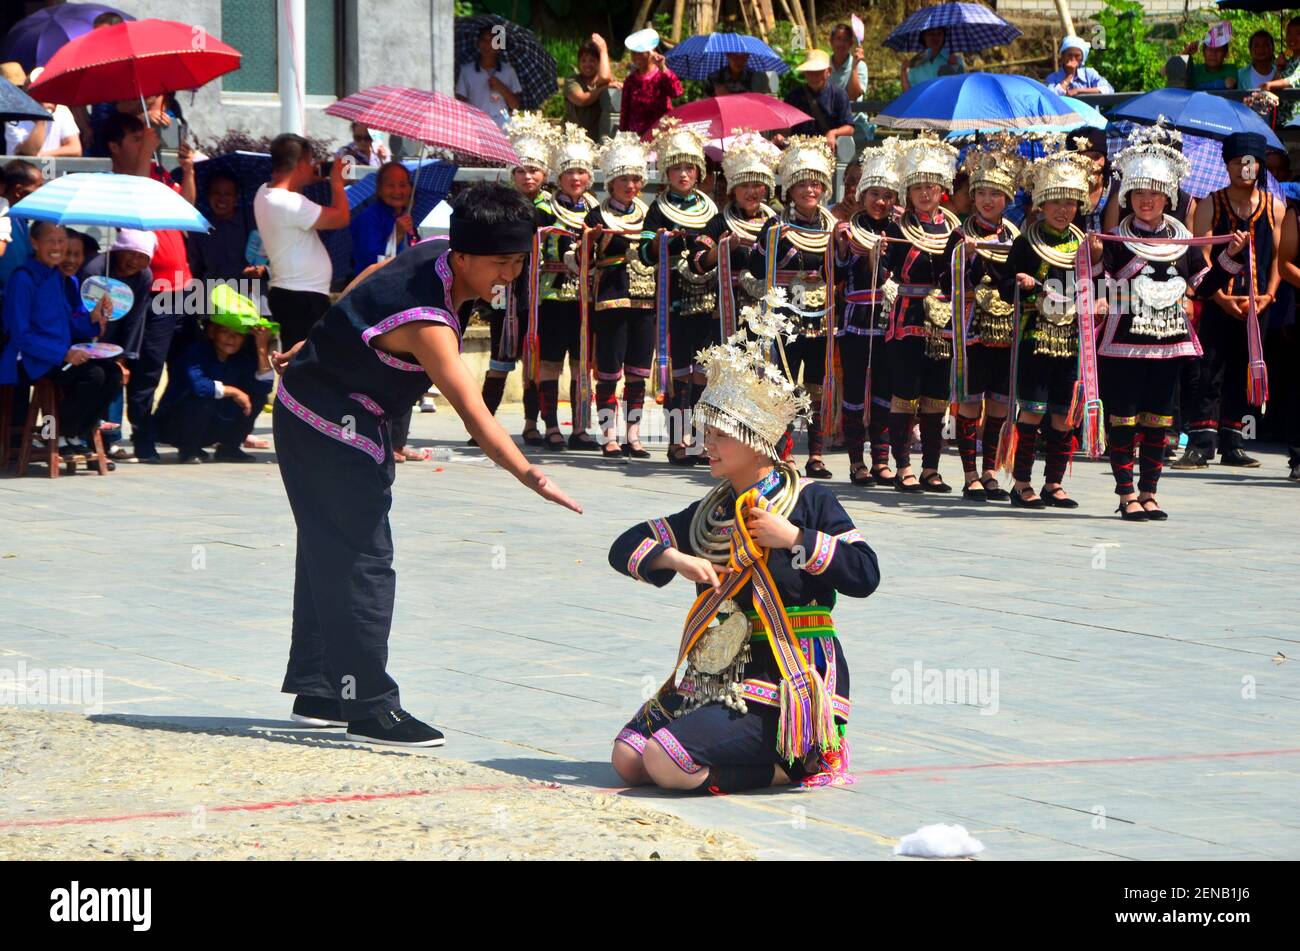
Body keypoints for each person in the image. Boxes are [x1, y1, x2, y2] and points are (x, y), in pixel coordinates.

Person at [270, 181, 580, 748]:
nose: (509, 277)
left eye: (518, 263)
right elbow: (474, 414)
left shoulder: (431, 253)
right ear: (462, 255)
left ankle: (321, 686)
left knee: (328, 547)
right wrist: (531, 474)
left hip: (324, 404)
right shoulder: (429, 321)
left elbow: (369, 276)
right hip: (326, 422)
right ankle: (367, 703)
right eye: (501, 263)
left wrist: (319, 335)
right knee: (361, 554)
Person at [607, 291, 880, 793]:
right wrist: (675, 559)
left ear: (758, 441)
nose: (705, 444)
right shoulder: (708, 511)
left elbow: (865, 574)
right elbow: (623, 545)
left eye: (719, 435)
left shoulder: (809, 500)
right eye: (705, 432)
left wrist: (794, 537)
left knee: (666, 763)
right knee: (628, 759)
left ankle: (791, 765)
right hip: (716, 674)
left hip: (788, 674)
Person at [1100, 126, 1241, 521]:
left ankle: (1150, 492)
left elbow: (1204, 285)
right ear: (1129, 196)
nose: (1147, 200)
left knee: (1159, 421)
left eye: (1155, 193)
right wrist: (1097, 259)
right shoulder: (1113, 239)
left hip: (1169, 344)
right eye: (1140, 193)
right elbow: (1101, 286)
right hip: (1124, 343)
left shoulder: (1184, 242)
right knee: (1124, 419)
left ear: (1168, 196)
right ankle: (1126, 493)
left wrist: (1229, 255)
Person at [999, 149, 1103, 510]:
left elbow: (1098, 288)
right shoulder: (1026, 242)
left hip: (1071, 340)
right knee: (1032, 411)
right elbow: (1002, 287)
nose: (1063, 210)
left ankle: (1054, 483)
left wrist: (1100, 291)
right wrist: (1020, 282)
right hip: (1035, 338)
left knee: (1063, 413)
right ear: (1041, 203)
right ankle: (1022, 482)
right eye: (1055, 202)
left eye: (1071, 203)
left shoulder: (1085, 245)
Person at [1174, 132, 1283, 470]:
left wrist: (1270, 295)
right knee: (1209, 370)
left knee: (1244, 370)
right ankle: (1200, 443)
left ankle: (1233, 442)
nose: (1242, 169)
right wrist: (1220, 296)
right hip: (1220, 299)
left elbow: (1280, 256)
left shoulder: (1274, 206)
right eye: (1236, 162)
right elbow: (1202, 254)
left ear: (1258, 166)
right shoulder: (1211, 203)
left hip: (1257, 304)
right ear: (1227, 165)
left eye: (1248, 163)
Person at [748, 136, 840, 479]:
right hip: (785, 316)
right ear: (790, 188)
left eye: (816, 183)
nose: (809, 189)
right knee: (783, 385)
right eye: (802, 183)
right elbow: (757, 269)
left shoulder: (832, 227)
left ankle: (816, 453)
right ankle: (784, 454)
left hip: (820, 317)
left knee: (816, 385)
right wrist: (770, 243)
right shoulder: (775, 226)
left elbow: (839, 271)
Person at [941, 135, 1024, 503]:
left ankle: (991, 470)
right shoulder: (959, 235)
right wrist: (968, 259)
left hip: (1006, 330)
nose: (989, 200)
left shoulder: (1018, 236)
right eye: (982, 193)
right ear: (972, 197)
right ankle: (970, 474)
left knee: (1002, 404)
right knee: (971, 402)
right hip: (971, 328)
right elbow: (945, 281)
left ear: (1007, 198)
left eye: (996, 193)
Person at [880, 133, 961, 494]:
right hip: (908, 319)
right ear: (908, 193)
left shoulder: (955, 229)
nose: (925, 194)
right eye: (917, 189)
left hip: (942, 322)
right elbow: (885, 270)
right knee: (905, 396)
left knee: (936, 396)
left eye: (931, 187)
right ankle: (904, 467)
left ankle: (931, 467)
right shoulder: (897, 227)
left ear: (942, 188)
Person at [1, 222, 115, 458]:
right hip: (31, 359)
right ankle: (54, 433)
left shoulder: (58, 277)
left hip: (59, 355)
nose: (57, 247)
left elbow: (69, 323)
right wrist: (62, 354)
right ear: (34, 242)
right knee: (93, 376)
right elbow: (20, 335)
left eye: (61, 241)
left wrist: (94, 318)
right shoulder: (23, 278)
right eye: (51, 241)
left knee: (112, 374)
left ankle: (73, 433)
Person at [640, 119, 718, 463]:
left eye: (689, 168)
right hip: (673, 297)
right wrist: (663, 243)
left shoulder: (711, 207)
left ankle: (702, 440)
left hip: (708, 298)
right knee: (679, 372)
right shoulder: (657, 209)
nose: (683, 174)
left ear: (698, 172)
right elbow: (643, 254)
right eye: (676, 169)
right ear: (666, 174)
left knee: (704, 373)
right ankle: (676, 441)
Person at [479, 111, 552, 449]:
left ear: (545, 174)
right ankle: (481, 424)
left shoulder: (553, 208)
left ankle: (530, 424)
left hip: (540, 294)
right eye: (521, 170)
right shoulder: (501, 205)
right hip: (505, 291)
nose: (527, 176)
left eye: (534, 170)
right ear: (512, 173)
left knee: (533, 364)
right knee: (499, 359)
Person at [580, 131, 654, 454]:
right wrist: (592, 240)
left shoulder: (649, 213)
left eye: (636, 179)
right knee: (609, 371)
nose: (631, 185)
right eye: (624, 178)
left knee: (639, 372)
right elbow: (580, 258)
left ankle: (633, 435)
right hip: (611, 299)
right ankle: (609, 435)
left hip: (646, 299)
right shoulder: (596, 216)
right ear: (610, 182)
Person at [835, 138, 903, 487]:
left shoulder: (900, 231)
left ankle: (881, 458)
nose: (881, 201)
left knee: (883, 391)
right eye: (874, 194)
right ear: (860, 195)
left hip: (890, 322)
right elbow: (839, 268)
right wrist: (871, 257)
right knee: (855, 391)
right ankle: (855, 461)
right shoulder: (847, 230)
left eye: (888, 195)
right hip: (857, 322)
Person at [534, 123, 600, 452]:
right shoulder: (545, 209)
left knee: (580, 365)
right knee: (549, 363)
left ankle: (580, 428)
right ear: (558, 177)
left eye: (581, 172)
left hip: (584, 298)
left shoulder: (595, 210)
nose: (576, 178)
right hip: (551, 295)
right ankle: (550, 427)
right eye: (569, 172)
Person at [254, 133, 350, 350]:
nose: (313, 165)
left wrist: (304, 179)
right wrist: (337, 184)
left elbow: (288, 194)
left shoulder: (264, 192)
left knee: (302, 362)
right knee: (305, 365)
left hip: (294, 293)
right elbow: (341, 218)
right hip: (302, 298)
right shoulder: (289, 203)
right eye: (309, 161)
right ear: (300, 164)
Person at [695, 131, 781, 349]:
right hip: (728, 310)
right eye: (744, 185)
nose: (752, 191)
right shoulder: (720, 222)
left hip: (768, 311)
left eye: (757, 185)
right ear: (733, 190)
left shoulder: (776, 222)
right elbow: (696, 261)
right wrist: (721, 249)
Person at [155, 314, 275, 464]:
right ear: (212, 332)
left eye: (237, 334)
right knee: (202, 398)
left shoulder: (241, 358)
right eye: (225, 332)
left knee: (257, 398)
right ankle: (189, 449)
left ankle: (229, 448)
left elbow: (264, 387)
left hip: (217, 423)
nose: (231, 339)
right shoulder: (195, 352)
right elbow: (199, 386)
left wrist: (261, 347)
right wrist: (234, 391)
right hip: (176, 425)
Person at [779, 50, 854, 153]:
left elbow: (849, 128)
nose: (814, 76)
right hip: (797, 152)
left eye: (818, 72)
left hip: (826, 152)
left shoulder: (839, 95)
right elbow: (785, 126)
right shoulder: (793, 96)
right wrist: (781, 137)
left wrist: (833, 133)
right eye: (810, 72)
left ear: (828, 72)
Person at [454, 25, 523, 130]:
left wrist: (501, 87)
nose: (487, 45)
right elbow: (460, 103)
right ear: (478, 43)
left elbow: (515, 106)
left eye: (492, 41)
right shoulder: (466, 71)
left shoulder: (508, 71)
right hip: (476, 126)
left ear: (499, 46)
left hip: (503, 127)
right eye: (484, 40)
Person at [618, 28, 682, 138]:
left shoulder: (661, 75)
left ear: (652, 51)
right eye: (634, 53)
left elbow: (677, 92)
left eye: (640, 53)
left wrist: (663, 67)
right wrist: (622, 135)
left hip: (661, 133)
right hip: (637, 136)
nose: (636, 57)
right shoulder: (630, 81)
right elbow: (625, 111)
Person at [5, 67, 82, 157]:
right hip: (22, 171)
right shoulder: (14, 117)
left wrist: (43, 155)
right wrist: (43, 115)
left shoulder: (62, 110)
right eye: (39, 88)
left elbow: (75, 149)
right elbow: (30, 152)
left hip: (51, 170)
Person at [565, 35, 619, 141]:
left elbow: (604, 77)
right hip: (572, 139)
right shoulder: (572, 81)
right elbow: (582, 100)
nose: (587, 64)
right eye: (583, 60)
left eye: (592, 60)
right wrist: (602, 89)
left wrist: (603, 51)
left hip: (596, 140)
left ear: (599, 62)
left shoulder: (605, 82)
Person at [828, 23, 873, 146]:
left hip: (855, 126)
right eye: (838, 39)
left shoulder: (860, 66)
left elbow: (853, 96)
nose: (841, 44)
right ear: (831, 41)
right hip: (829, 126)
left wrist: (854, 67)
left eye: (845, 40)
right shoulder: (823, 65)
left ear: (851, 43)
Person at [900, 27, 965, 92]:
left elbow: (959, 89)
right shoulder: (915, 64)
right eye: (931, 34)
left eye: (939, 34)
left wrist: (955, 67)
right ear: (923, 36)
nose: (935, 37)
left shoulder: (955, 60)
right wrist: (903, 71)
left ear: (944, 36)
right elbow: (909, 93)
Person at [1045, 36, 1114, 96]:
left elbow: (1108, 90)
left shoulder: (1089, 74)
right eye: (1069, 55)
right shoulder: (1053, 78)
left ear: (1082, 58)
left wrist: (1078, 91)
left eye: (1077, 56)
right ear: (1062, 56)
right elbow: (1050, 96)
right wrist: (1069, 76)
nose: (1072, 59)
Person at [1185, 22, 1238, 91]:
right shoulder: (1195, 70)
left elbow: (1229, 85)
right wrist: (1186, 52)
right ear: (1203, 52)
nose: (1213, 54)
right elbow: (1167, 71)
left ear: (1225, 54)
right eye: (1210, 50)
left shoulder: (1230, 69)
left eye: (1218, 50)